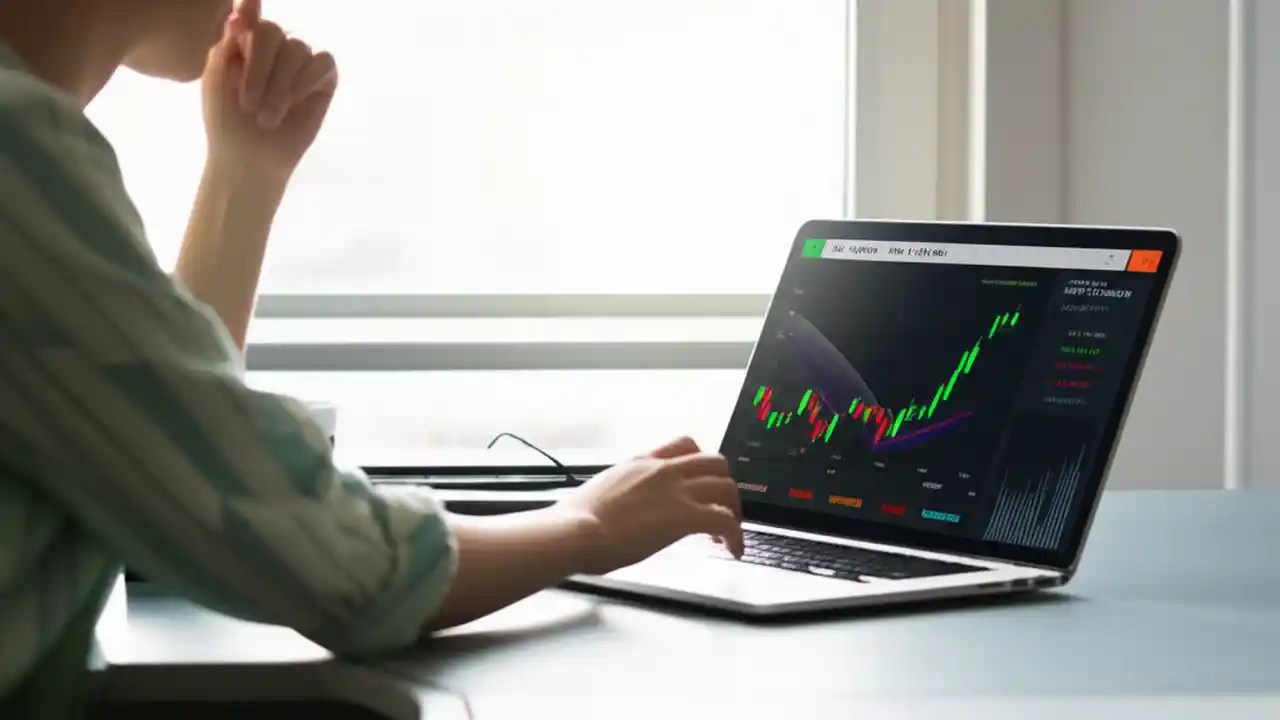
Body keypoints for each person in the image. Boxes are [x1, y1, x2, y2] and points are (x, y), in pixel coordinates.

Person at [0, 0, 745, 715]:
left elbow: (165, 475)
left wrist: (245, 175)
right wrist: (587, 521)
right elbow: (332, 562)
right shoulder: (20, 152)